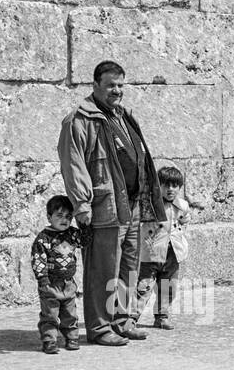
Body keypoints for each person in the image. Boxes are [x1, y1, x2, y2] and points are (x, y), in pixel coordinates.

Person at [57, 60, 166, 346]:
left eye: (120, 85)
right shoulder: (79, 121)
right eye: (110, 86)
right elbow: (73, 165)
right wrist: (82, 204)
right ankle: (100, 327)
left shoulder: (123, 116)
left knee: (128, 266)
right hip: (104, 208)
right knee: (102, 268)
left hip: (131, 206)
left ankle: (123, 320)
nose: (116, 91)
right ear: (95, 86)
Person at [136, 166, 193, 330]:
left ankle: (162, 316)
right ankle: (131, 318)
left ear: (180, 187)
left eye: (174, 186)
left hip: (173, 254)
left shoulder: (182, 205)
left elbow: (185, 221)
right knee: (143, 287)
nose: (170, 189)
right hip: (152, 254)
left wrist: (180, 233)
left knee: (168, 287)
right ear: (158, 186)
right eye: (165, 185)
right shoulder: (150, 205)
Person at [31, 195, 84, 354]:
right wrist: (43, 279)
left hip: (68, 283)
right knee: (50, 315)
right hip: (50, 284)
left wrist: (87, 226)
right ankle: (49, 340)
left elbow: (85, 241)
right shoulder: (43, 239)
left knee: (70, 314)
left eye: (68, 216)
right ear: (49, 217)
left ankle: (72, 338)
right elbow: (38, 259)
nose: (64, 220)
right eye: (59, 216)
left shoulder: (73, 234)